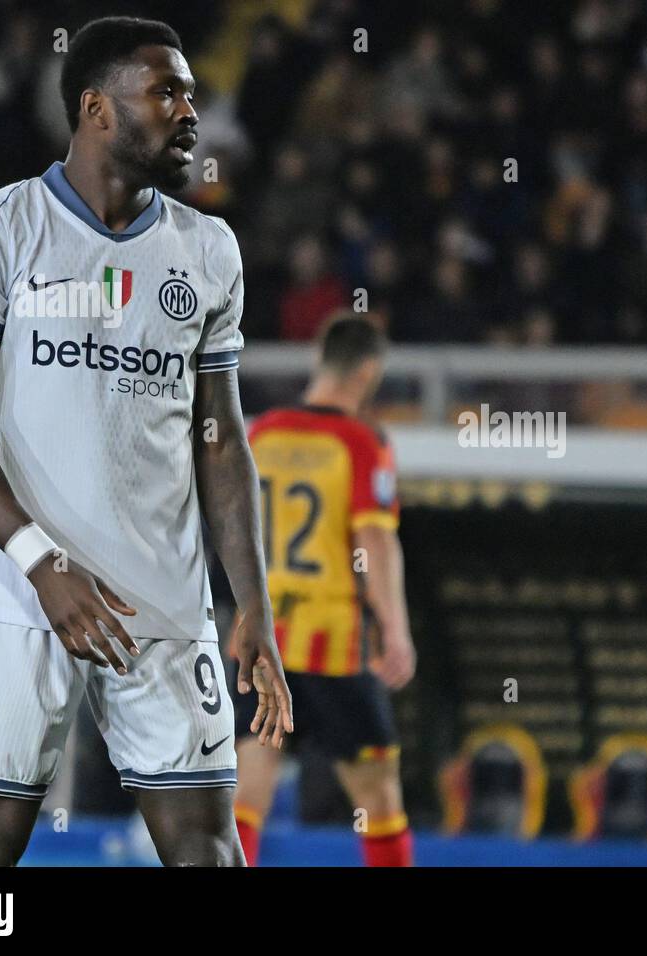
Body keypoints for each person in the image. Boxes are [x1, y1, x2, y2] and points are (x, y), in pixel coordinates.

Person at [0, 16, 292, 866]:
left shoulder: (208, 250)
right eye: (166, 91)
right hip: (25, 596)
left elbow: (222, 441)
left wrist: (254, 607)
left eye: (191, 92)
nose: (190, 111)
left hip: (164, 599)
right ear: (96, 109)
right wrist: (41, 563)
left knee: (207, 849)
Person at [232, 314, 416, 866]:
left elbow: (234, 535)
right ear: (368, 372)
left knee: (246, 787)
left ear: (319, 361)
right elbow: (375, 546)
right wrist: (396, 630)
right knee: (378, 792)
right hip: (334, 644)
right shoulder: (361, 442)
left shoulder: (261, 433)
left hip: (265, 639)